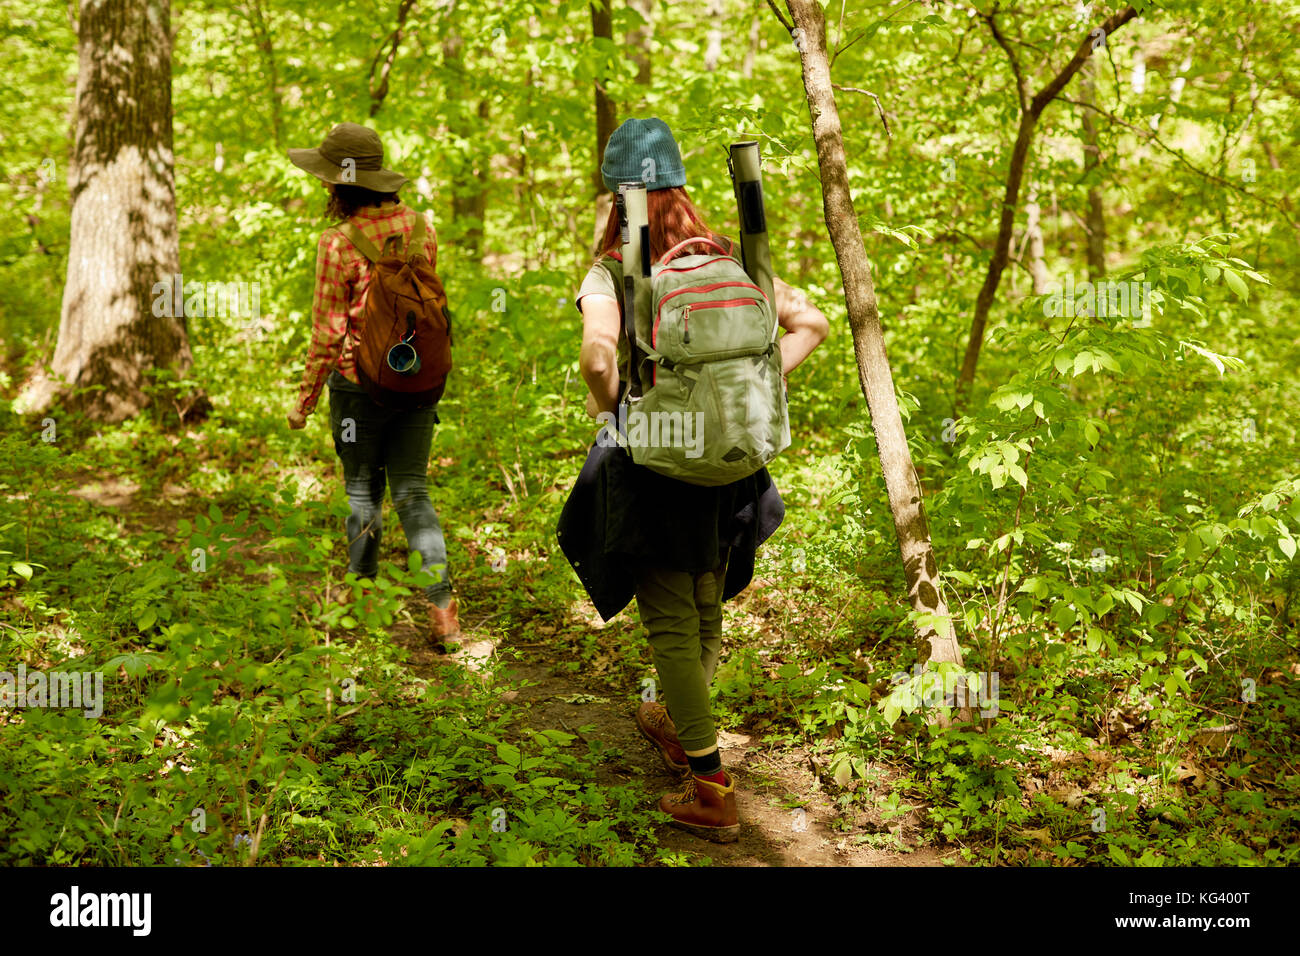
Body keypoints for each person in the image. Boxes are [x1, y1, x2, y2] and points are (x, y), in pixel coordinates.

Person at [570, 117, 828, 842]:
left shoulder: (617, 272)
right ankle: (683, 724)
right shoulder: (733, 262)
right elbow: (813, 325)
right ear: (681, 186)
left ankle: (711, 787)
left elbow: (598, 359)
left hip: (659, 467)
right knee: (707, 607)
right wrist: (749, 396)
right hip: (733, 467)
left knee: (672, 627)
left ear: (617, 199)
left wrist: (618, 414)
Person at [286, 122, 460, 642]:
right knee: (413, 491)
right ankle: (443, 608)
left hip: (357, 386)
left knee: (362, 492)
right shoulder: (421, 227)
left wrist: (305, 400)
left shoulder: (337, 243)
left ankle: (359, 601)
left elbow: (328, 332)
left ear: (340, 185)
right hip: (417, 381)